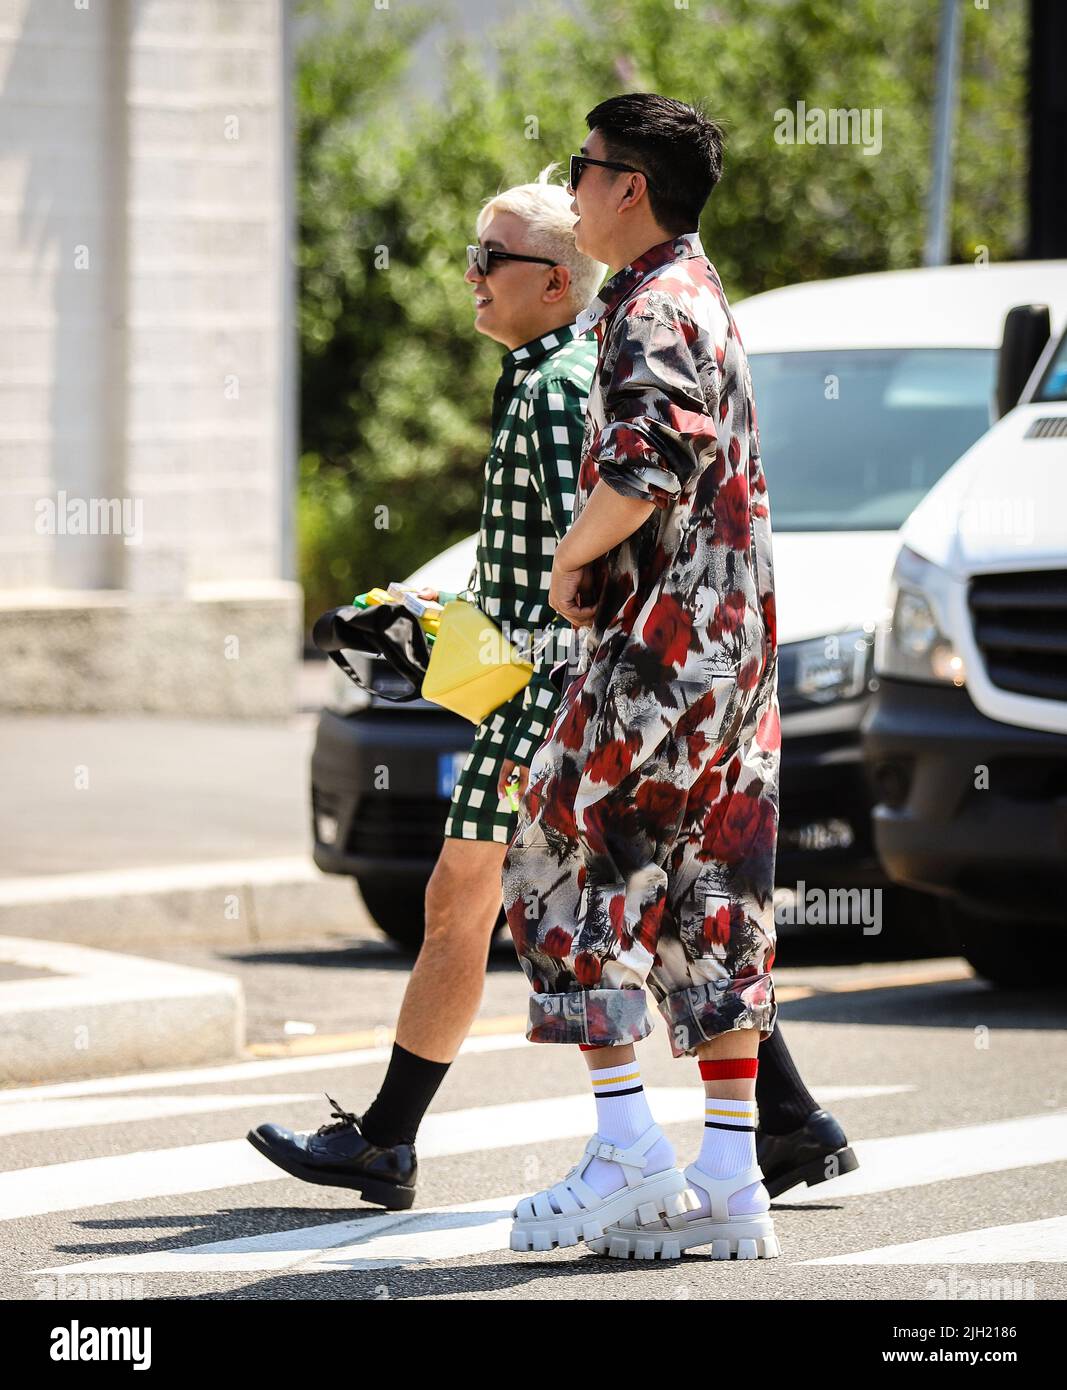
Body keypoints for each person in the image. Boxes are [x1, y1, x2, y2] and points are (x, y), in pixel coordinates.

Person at [247, 154, 856, 1218]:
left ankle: (412, 1143)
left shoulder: (567, 383)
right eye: (469, 257)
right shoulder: (541, 375)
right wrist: (431, 619)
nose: (471, 275)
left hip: (553, 696)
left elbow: (608, 545)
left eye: (493, 258)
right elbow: (538, 559)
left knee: (545, 904)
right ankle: (784, 1125)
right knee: (637, 899)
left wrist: (498, 648)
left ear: (557, 279)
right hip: (540, 684)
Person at [502, 93, 840, 1262]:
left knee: (556, 849)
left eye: (585, 170)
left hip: (659, 656)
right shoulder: (702, 295)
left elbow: (647, 460)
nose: (577, 186)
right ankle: (733, 1168)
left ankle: (623, 1144)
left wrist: (570, 556)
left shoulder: (649, 306)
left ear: (626, 187)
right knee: (713, 887)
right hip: (733, 658)